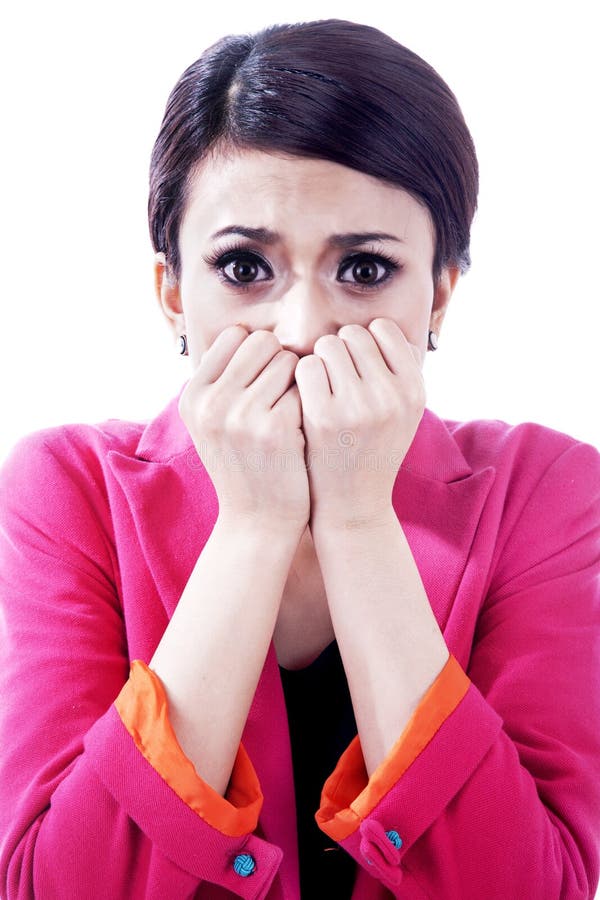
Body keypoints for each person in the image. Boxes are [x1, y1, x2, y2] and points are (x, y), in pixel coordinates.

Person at [0, 16, 598, 900]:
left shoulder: (548, 491)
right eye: (245, 268)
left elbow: (533, 886)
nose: (303, 329)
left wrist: (358, 524)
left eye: (362, 270)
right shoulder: (65, 489)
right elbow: (56, 886)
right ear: (172, 293)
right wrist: (253, 526)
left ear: (439, 293)